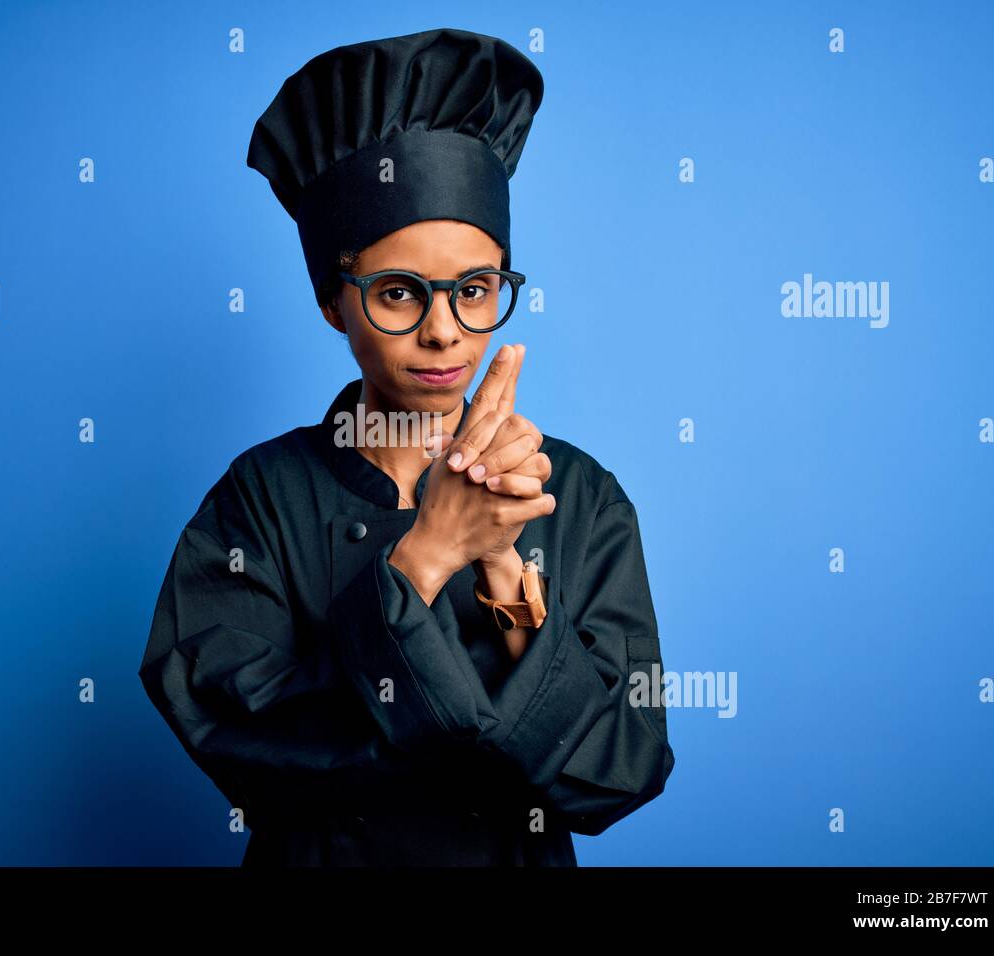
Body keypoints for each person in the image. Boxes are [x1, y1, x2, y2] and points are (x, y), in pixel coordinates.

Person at [139, 27, 675, 866]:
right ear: (332, 303)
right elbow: (239, 742)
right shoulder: (262, 496)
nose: (443, 332)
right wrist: (426, 555)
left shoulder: (576, 493)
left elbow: (623, 773)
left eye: (474, 290)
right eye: (398, 293)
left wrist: (503, 569)